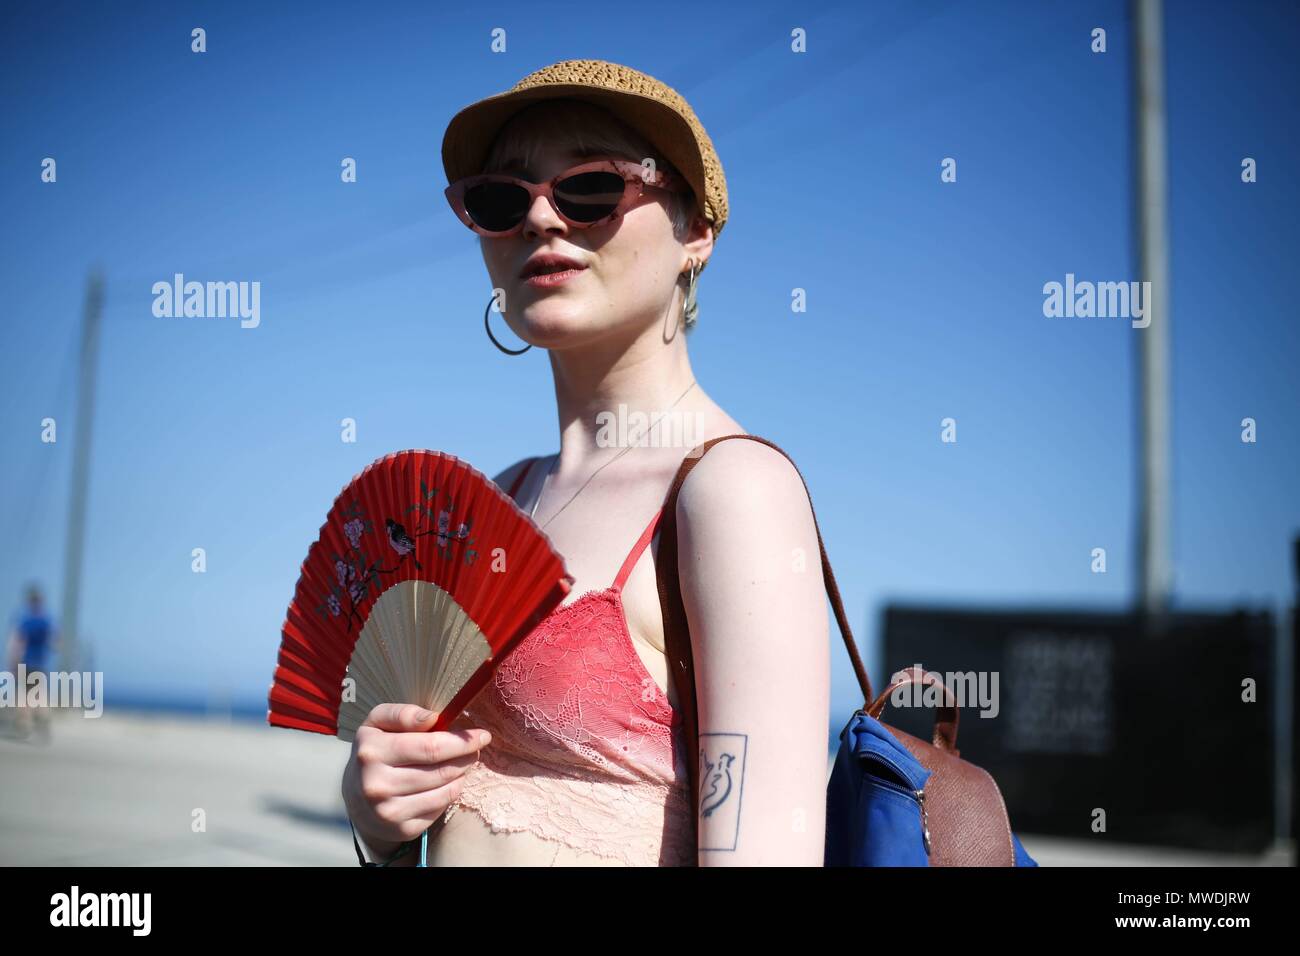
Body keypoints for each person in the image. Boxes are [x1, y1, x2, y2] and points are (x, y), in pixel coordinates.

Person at [341, 59, 830, 866]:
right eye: (500, 197)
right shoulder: (496, 498)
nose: (540, 218)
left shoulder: (731, 492)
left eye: (591, 188)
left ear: (695, 231)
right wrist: (376, 817)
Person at [5, 583, 58, 741]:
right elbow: (55, 641)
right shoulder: (46, 621)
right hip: (40, 663)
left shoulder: (25, 621)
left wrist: (13, 663)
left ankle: (24, 724)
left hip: (26, 662)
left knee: (24, 695)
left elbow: (18, 643)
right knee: (39, 694)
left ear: (30, 602)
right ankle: (43, 720)